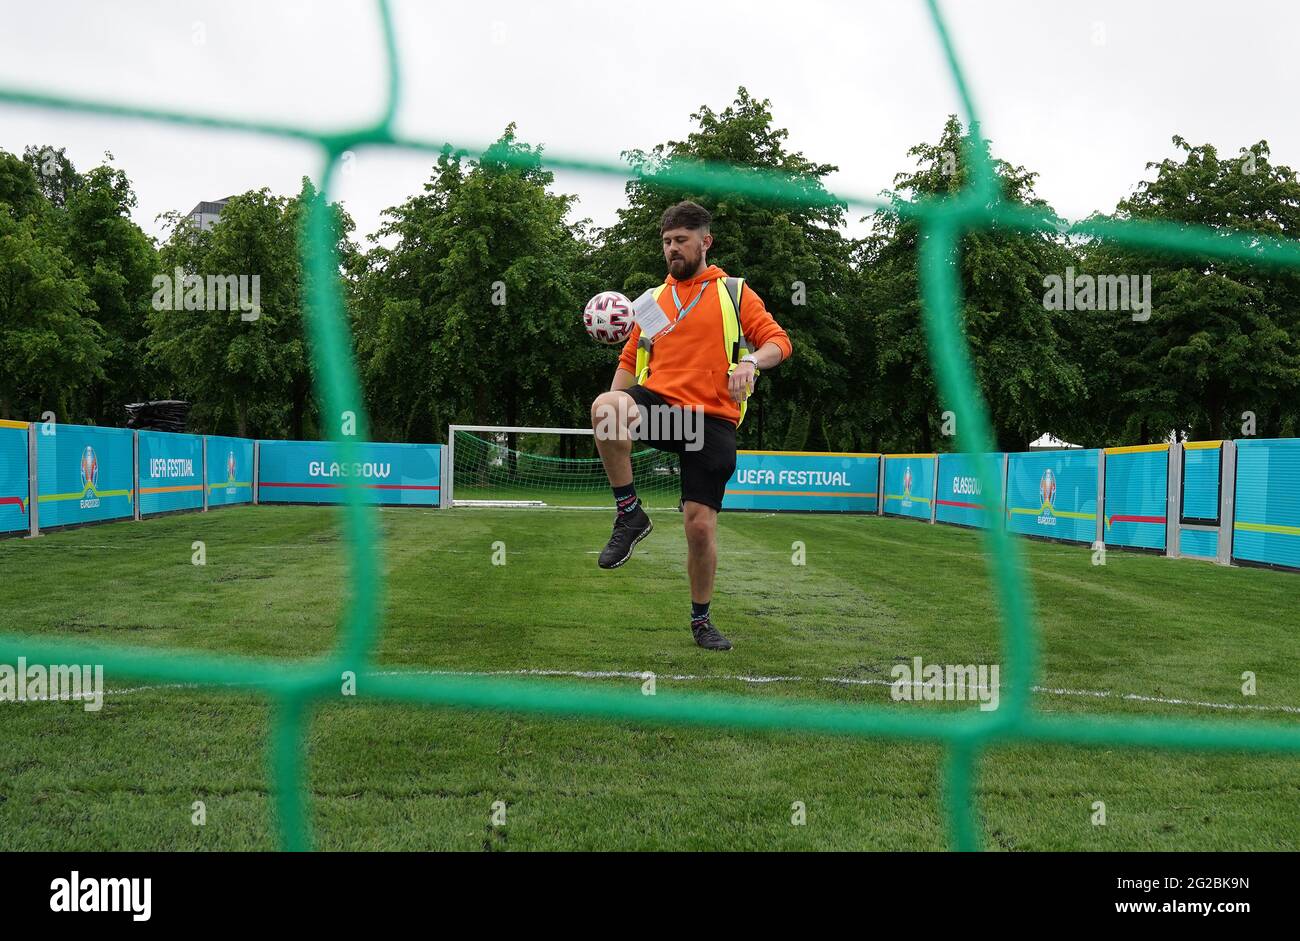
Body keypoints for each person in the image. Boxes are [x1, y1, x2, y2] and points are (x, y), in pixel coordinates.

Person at [589, 201, 792, 651]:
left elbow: (779, 341)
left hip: (712, 419)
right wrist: (612, 409)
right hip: (661, 408)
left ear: (705, 242)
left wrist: (751, 362)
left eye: (681, 240)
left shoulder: (735, 292)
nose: (672, 250)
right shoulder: (649, 303)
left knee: (699, 527)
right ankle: (629, 515)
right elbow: (629, 362)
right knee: (606, 407)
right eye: (666, 242)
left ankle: (701, 622)